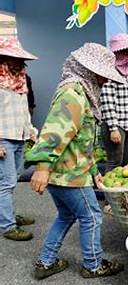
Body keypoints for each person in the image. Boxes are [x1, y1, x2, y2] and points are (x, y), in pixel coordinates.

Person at [26, 43, 125, 280]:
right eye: (102, 74)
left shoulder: (82, 93)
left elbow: (81, 141)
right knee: (92, 216)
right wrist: (42, 167)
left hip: (68, 171)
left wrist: (93, 170)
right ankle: (93, 265)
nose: (106, 80)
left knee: (66, 215)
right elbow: (54, 132)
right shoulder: (73, 93)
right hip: (68, 174)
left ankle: (46, 262)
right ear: (87, 70)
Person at [0, 37, 38, 241]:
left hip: (19, 137)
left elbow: (24, 111)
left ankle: (8, 215)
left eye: (19, 59)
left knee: (11, 181)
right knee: (6, 183)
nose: (16, 62)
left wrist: (30, 130)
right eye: (12, 58)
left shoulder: (22, 80)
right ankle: (8, 225)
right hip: (3, 139)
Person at [100, 33, 128, 173]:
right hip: (116, 124)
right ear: (117, 53)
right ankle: (110, 194)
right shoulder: (109, 73)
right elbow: (107, 101)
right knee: (115, 161)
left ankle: (124, 193)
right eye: (127, 51)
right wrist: (113, 128)